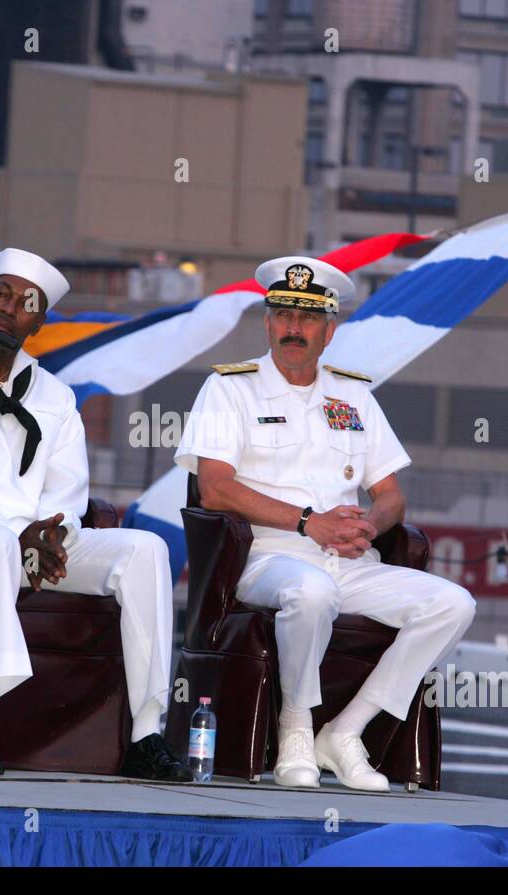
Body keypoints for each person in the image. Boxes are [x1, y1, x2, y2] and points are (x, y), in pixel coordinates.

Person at [175, 255, 476, 791]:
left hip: (346, 556)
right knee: (311, 593)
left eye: (308, 318)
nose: (295, 328)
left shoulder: (354, 393)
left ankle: (346, 730)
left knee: (453, 604)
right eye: (284, 315)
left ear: (329, 329)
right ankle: (296, 725)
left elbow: (391, 495)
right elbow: (215, 488)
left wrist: (368, 524)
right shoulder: (229, 388)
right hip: (267, 556)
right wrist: (308, 521)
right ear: (267, 321)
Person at [0, 247, 189, 780]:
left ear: (39, 321)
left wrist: (55, 532)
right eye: (0, 294)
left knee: (148, 549)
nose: (8, 308)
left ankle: (147, 732)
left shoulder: (55, 395)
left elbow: (69, 490)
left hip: (38, 544)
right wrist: (19, 532)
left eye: (24, 303)